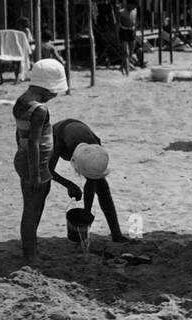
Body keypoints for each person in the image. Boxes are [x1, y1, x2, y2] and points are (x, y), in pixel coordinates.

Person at [13, 59, 68, 266]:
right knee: (32, 208)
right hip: (35, 164)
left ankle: (32, 248)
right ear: (47, 88)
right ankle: (30, 254)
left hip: (24, 159)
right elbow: (35, 143)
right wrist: (35, 174)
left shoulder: (21, 102)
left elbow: (20, 134)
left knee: (34, 205)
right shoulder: (40, 110)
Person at [49, 119, 130, 244]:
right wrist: (69, 185)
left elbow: (92, 182)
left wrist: (86, 212)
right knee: (40, 187)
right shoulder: (57, 142)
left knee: (103, 188)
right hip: (58, 133)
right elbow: (47, 170)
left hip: (78, 135)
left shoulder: (95, 149)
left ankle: (116, 235)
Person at [117, 0, 138, 77]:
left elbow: (135, 22)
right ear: (129, 4)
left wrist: (135, 32)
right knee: (126, 53)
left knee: (131, 53)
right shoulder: (121, 12)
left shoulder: (134, 11)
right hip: (123, 31)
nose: (134, 7)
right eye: (133, 5)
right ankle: (127, 71)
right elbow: (117, 25)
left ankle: (122, 66)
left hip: (131, 31)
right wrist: (117, 36)